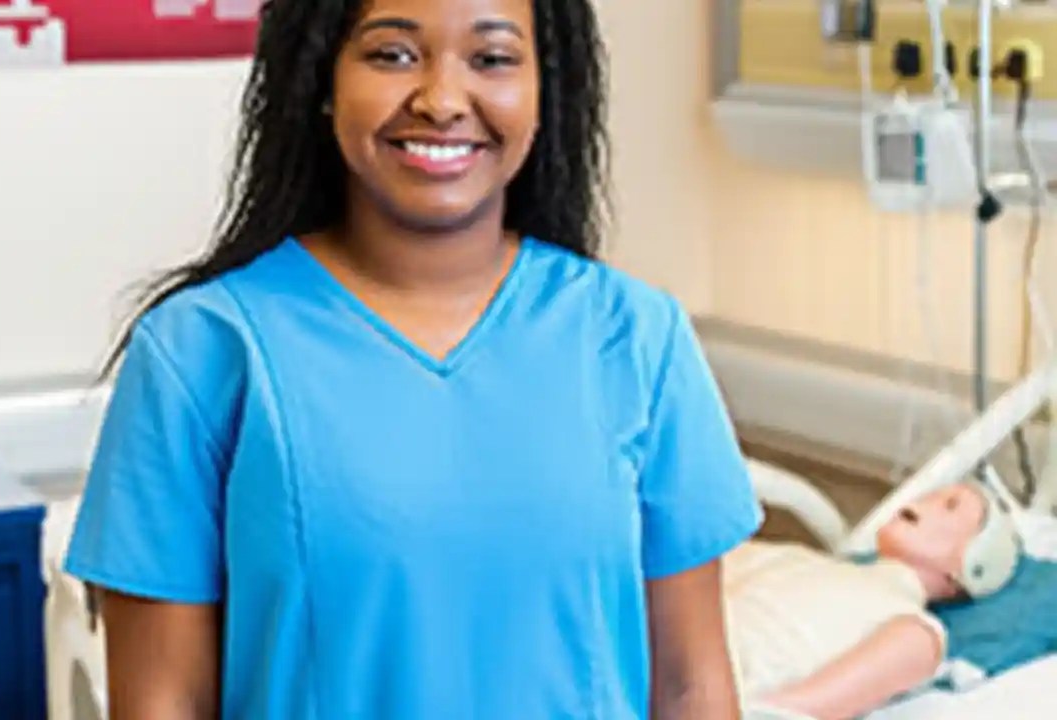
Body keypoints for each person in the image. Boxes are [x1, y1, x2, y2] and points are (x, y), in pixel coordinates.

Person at [64, 0, 764, 717]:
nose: (440, 100)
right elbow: (162, 702)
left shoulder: (635, 337)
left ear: (544, 90)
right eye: (392, 55)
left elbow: (689, 685)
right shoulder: (202, 350)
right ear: (322, 79)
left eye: (492, 59)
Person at [731, 482, 1022, 720]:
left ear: (972, 563)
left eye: (949, 506)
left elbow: (794, 710)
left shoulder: (915, 629)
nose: (921, 503)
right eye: (931, 494)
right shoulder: (799, 557)